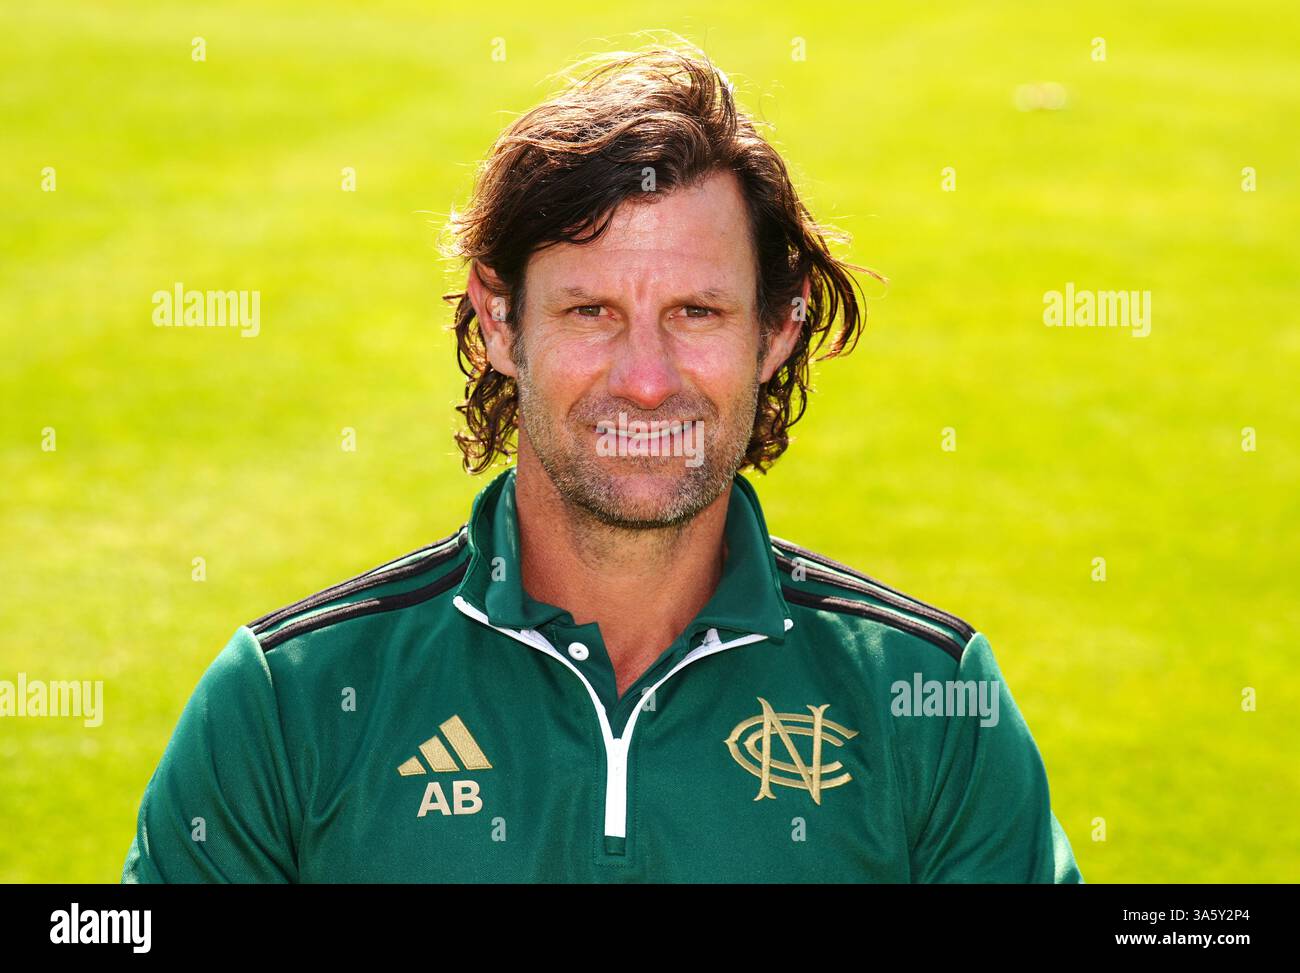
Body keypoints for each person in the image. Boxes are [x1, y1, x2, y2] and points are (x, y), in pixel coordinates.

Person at [122, 45, 1082, 883]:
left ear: (775, 333)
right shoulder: (289, 701)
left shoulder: (932, 697)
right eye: (593, 313)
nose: (649, 382)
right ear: (500, 322)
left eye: (695, 313)